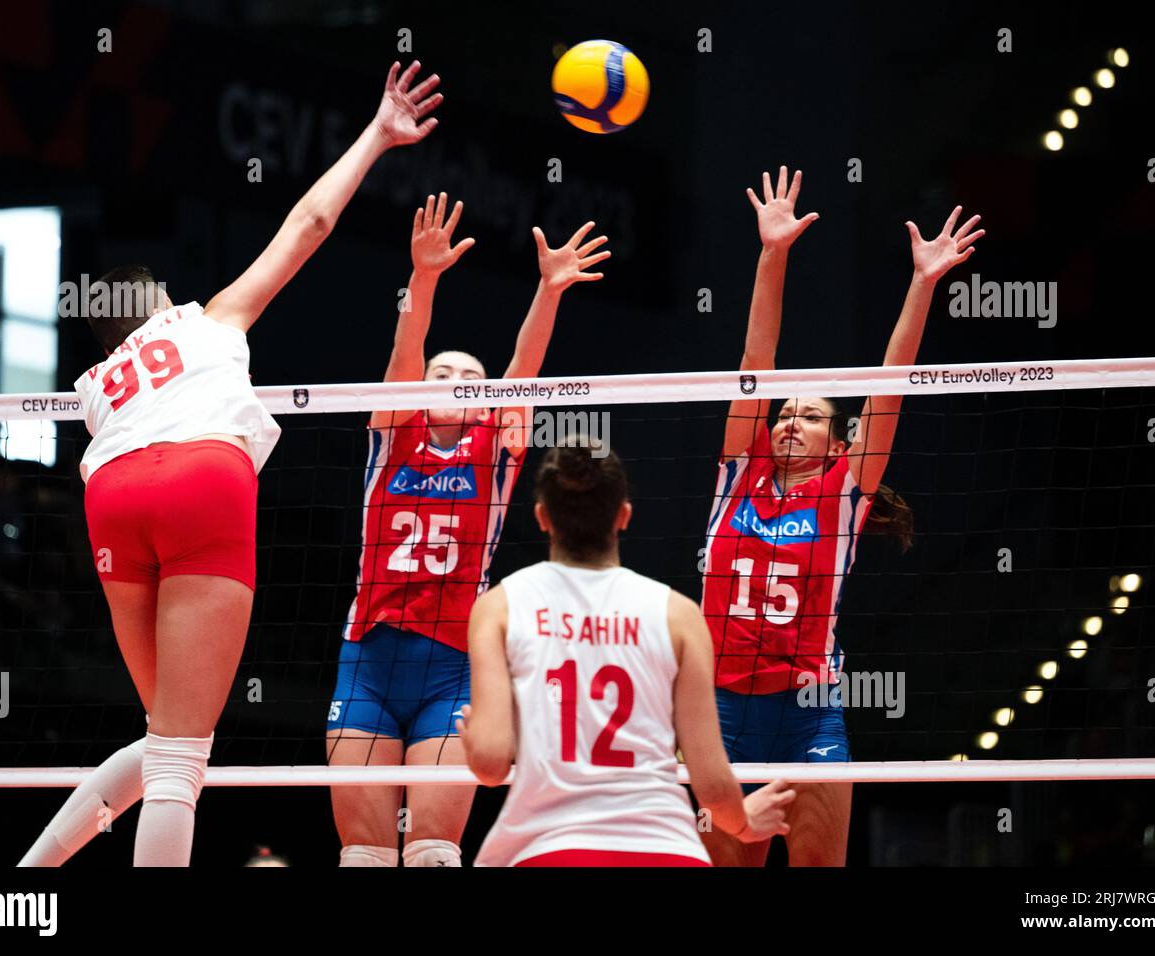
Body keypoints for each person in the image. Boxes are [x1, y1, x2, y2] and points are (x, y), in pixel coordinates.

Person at [18, 60, 444, 866]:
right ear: (159, 303)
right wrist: (379, 135)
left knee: (170, 738)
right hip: (200, 483)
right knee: (180, 756)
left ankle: (23, 879)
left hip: (111, 492)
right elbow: (309, 225)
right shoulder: (208, 321)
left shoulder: (93, 383)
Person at [700, 166, 983, 867]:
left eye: (813, 415)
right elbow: (755, 358)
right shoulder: (737, 473)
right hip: (719, 710)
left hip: (807, 712)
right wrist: (773, 254)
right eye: (786, 412)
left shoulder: (844, 492)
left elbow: (891, 387)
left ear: (838, 440)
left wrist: (922, 284)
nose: (792, 421)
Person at [325, 193, 611, 867]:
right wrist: (422, 278)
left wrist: (549, 290)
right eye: (442, 373)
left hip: (452, 668)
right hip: (367, 661)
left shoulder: (496, 444)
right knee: (364, 856)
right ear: (418, 388)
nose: (457, 382)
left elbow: (525, 368)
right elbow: (406, 346)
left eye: (471, 377)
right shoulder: (392, 434)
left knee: (431, 854)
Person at [462, 441, 797, 867]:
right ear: (624, 515)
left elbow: (491, 764)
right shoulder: (679, 614)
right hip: (667, 849)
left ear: (542, 518)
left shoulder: (500, 604)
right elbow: (711, 783)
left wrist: (475, 744)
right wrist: (746, 825)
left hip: (547, 847)